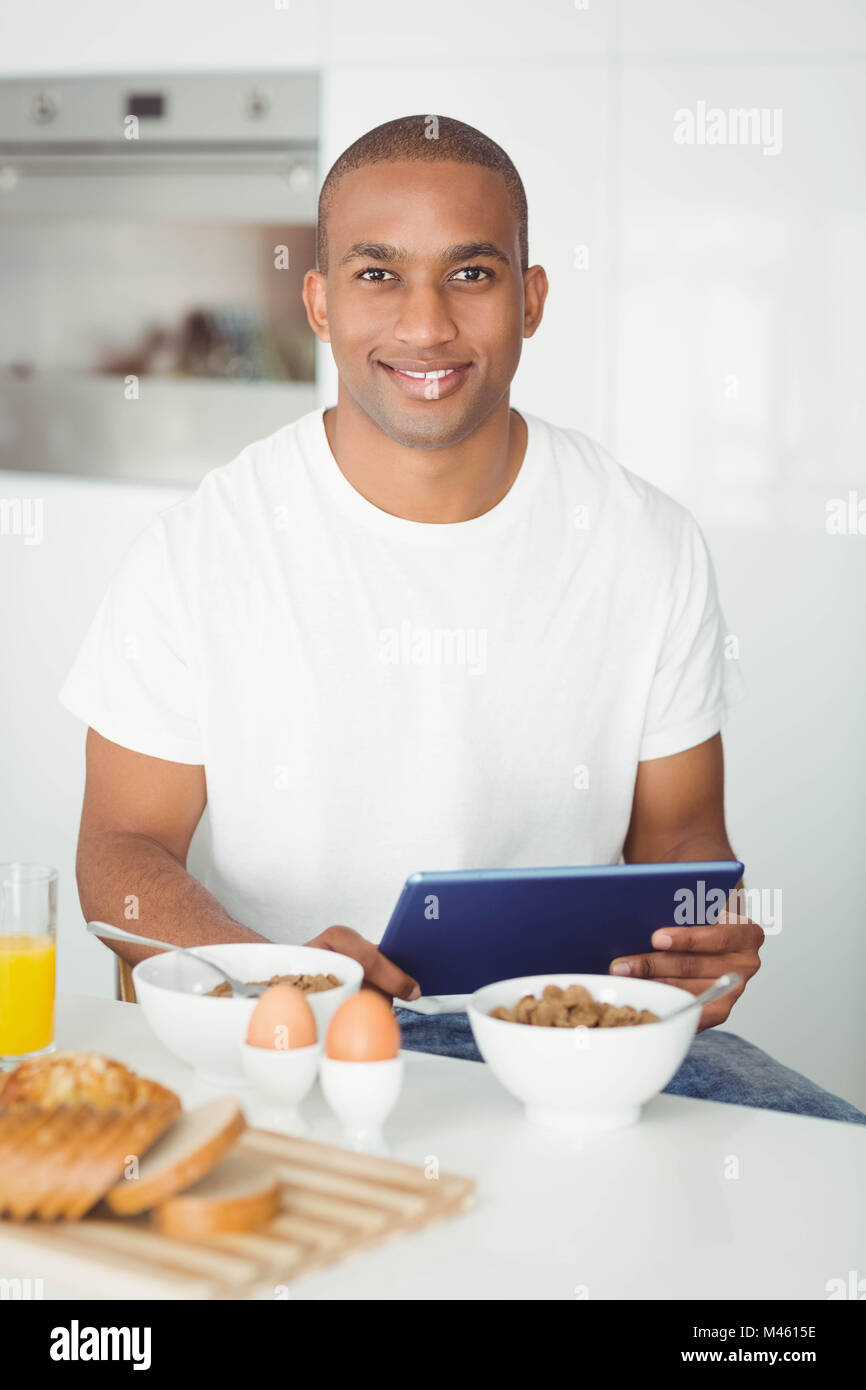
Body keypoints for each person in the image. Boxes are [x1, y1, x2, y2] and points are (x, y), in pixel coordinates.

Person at [59, 114, 863, 1124]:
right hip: (289, 1042)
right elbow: (118, 855)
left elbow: (681, 843)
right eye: (377, 273)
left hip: (564, 1044)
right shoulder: (201, 545)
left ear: (529, 299)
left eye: (471, 274)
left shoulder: (645, 541)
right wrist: (265, 973)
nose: (426, 325)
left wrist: (699, 935)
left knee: (826, 1159)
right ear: (317, 301)